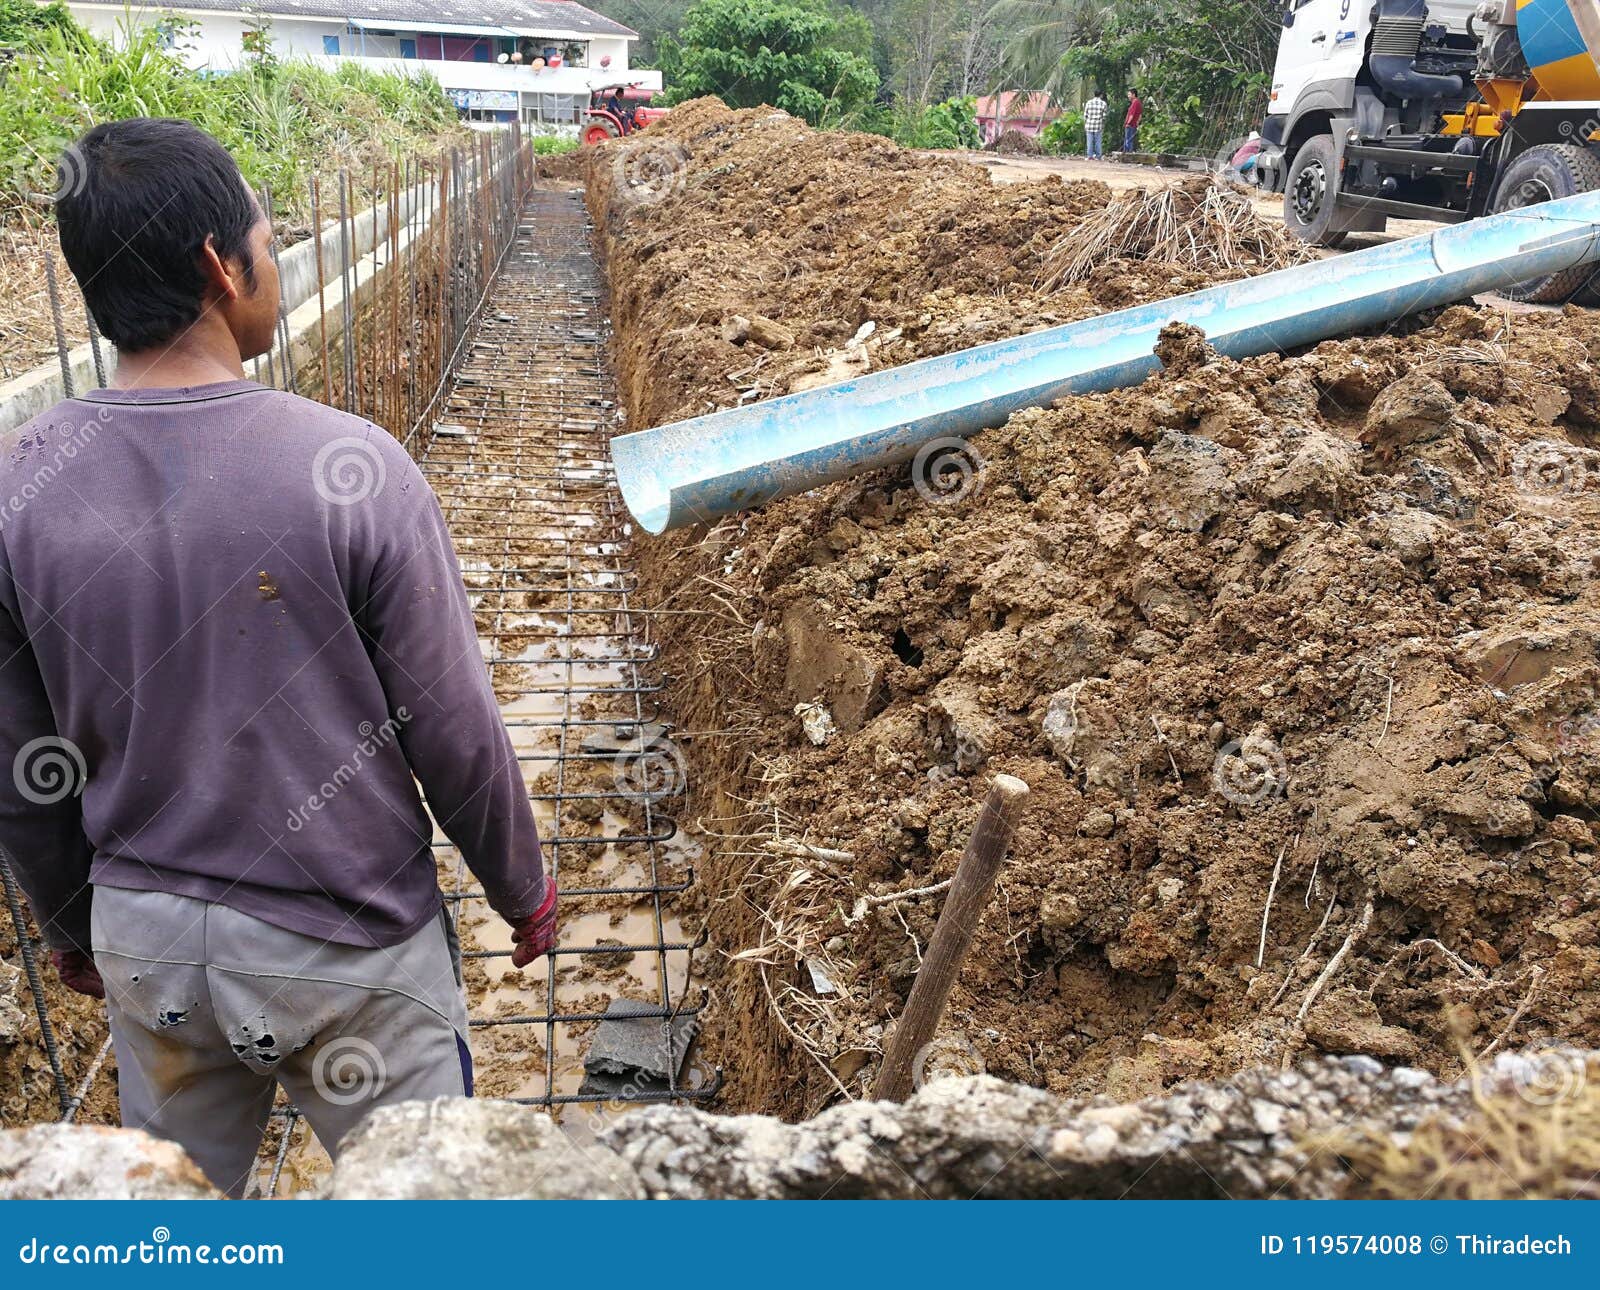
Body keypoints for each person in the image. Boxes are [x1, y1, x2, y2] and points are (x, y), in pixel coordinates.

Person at [0, 118, 556, 1197]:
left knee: (172, 1232)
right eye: (268, 241)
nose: (277, 263)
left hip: (152, 950)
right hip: (347, 945)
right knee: (435, 1224)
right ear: (221, 267)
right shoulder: (351, 465)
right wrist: (520, 886)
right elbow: (450, 722)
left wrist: (74, 924)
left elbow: (22, 766)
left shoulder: (22, 482)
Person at [1082, 89, 1107, 160]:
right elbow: (1104, 116)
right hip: (1098, 125)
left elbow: (1085, 115)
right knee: (1098, 142)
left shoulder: (1089, 102)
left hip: (1089, 125)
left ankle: (1090, 156)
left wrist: (1085, 124)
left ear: (1094, 94)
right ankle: (1098, 156)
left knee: (1089, 141)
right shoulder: (1103, 104)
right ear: (1101, 95)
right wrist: (1103, 124)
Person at [1124, 87, 1143, 153]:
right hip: (1134, 125)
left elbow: (1131, 115)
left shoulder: (1135, 102)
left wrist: (1128, 123)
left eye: (1129, 94)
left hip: (1131, 125)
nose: (1128, 96)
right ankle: (1129, 153)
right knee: (1130, 140)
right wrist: (1137, 123)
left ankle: (1128, 154)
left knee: (1128, 141)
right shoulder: (1138, 102)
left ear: (1133, 95)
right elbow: (1140, 115)